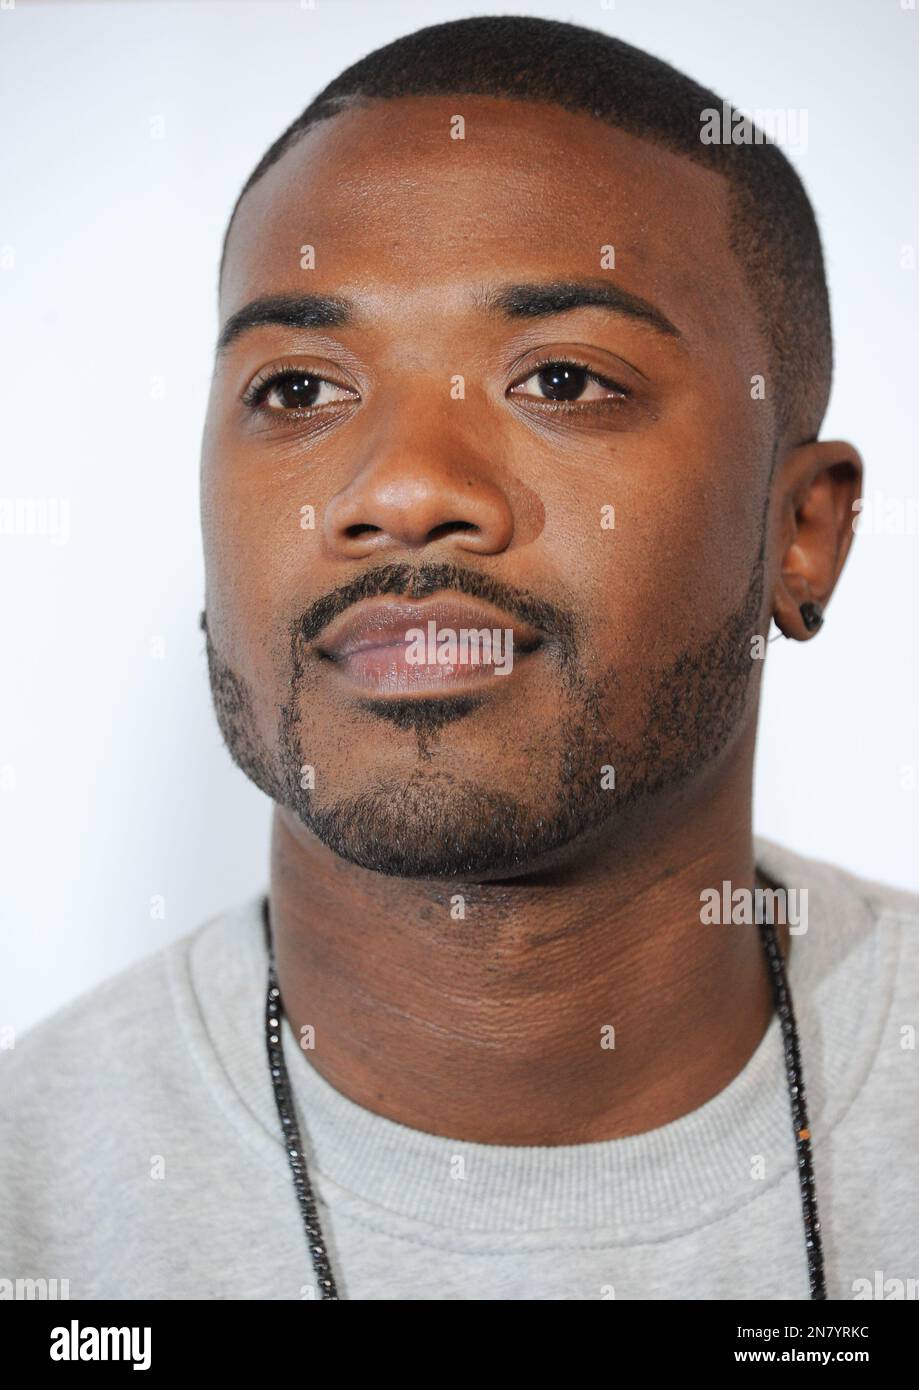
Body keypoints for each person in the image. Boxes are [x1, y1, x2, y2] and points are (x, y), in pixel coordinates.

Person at [3, 14, 917, 1302]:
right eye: (298, 390)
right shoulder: (33, 1212)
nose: (405, 489)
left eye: (563, 381)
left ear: (803, 533)